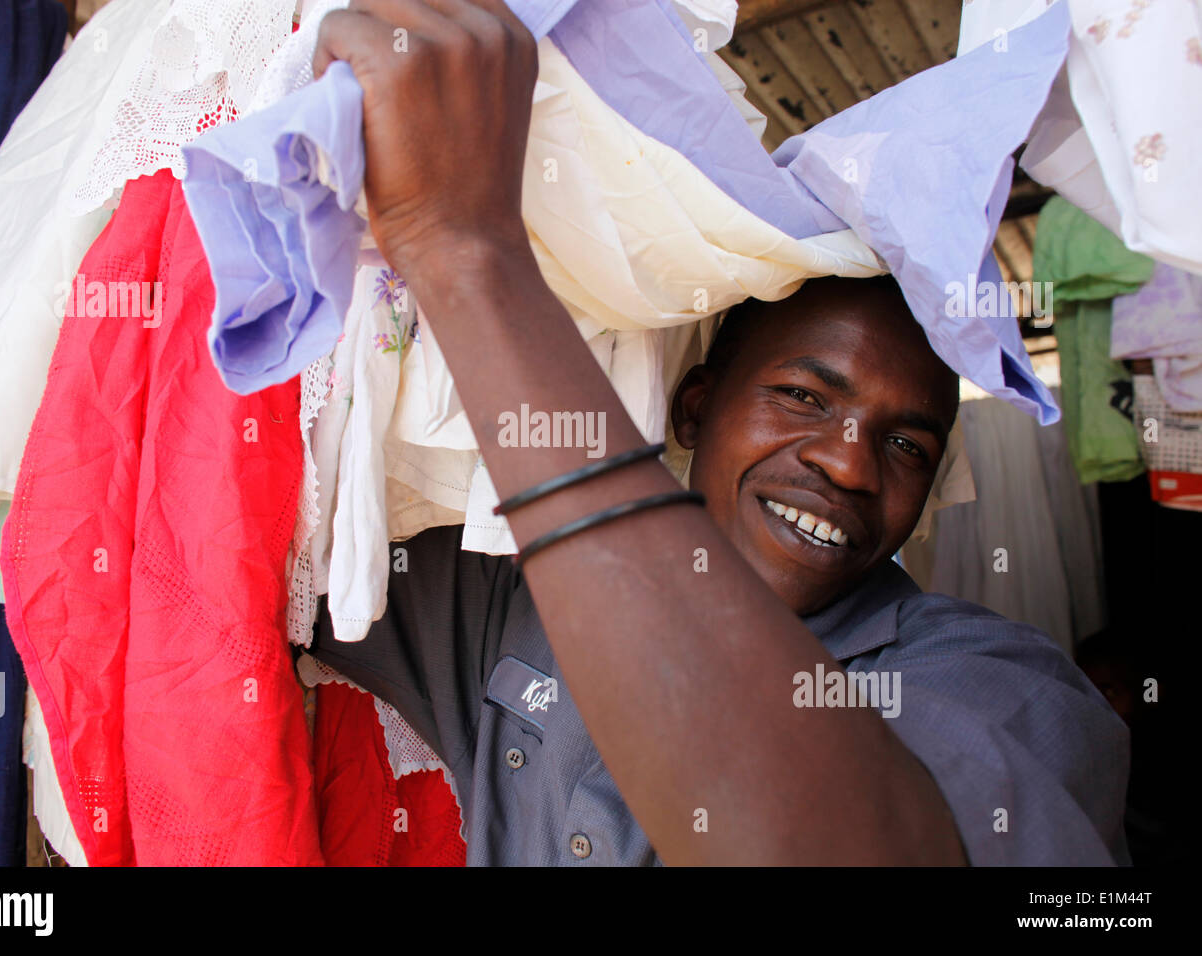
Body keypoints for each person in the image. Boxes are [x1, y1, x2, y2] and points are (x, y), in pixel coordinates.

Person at [308, 0, 1130, 866]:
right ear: (694, 408)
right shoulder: (510, 597)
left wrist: (470, 255)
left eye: (905, 446)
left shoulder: (998, 686)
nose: (850, 462)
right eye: (805, 398)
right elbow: (245, 557)